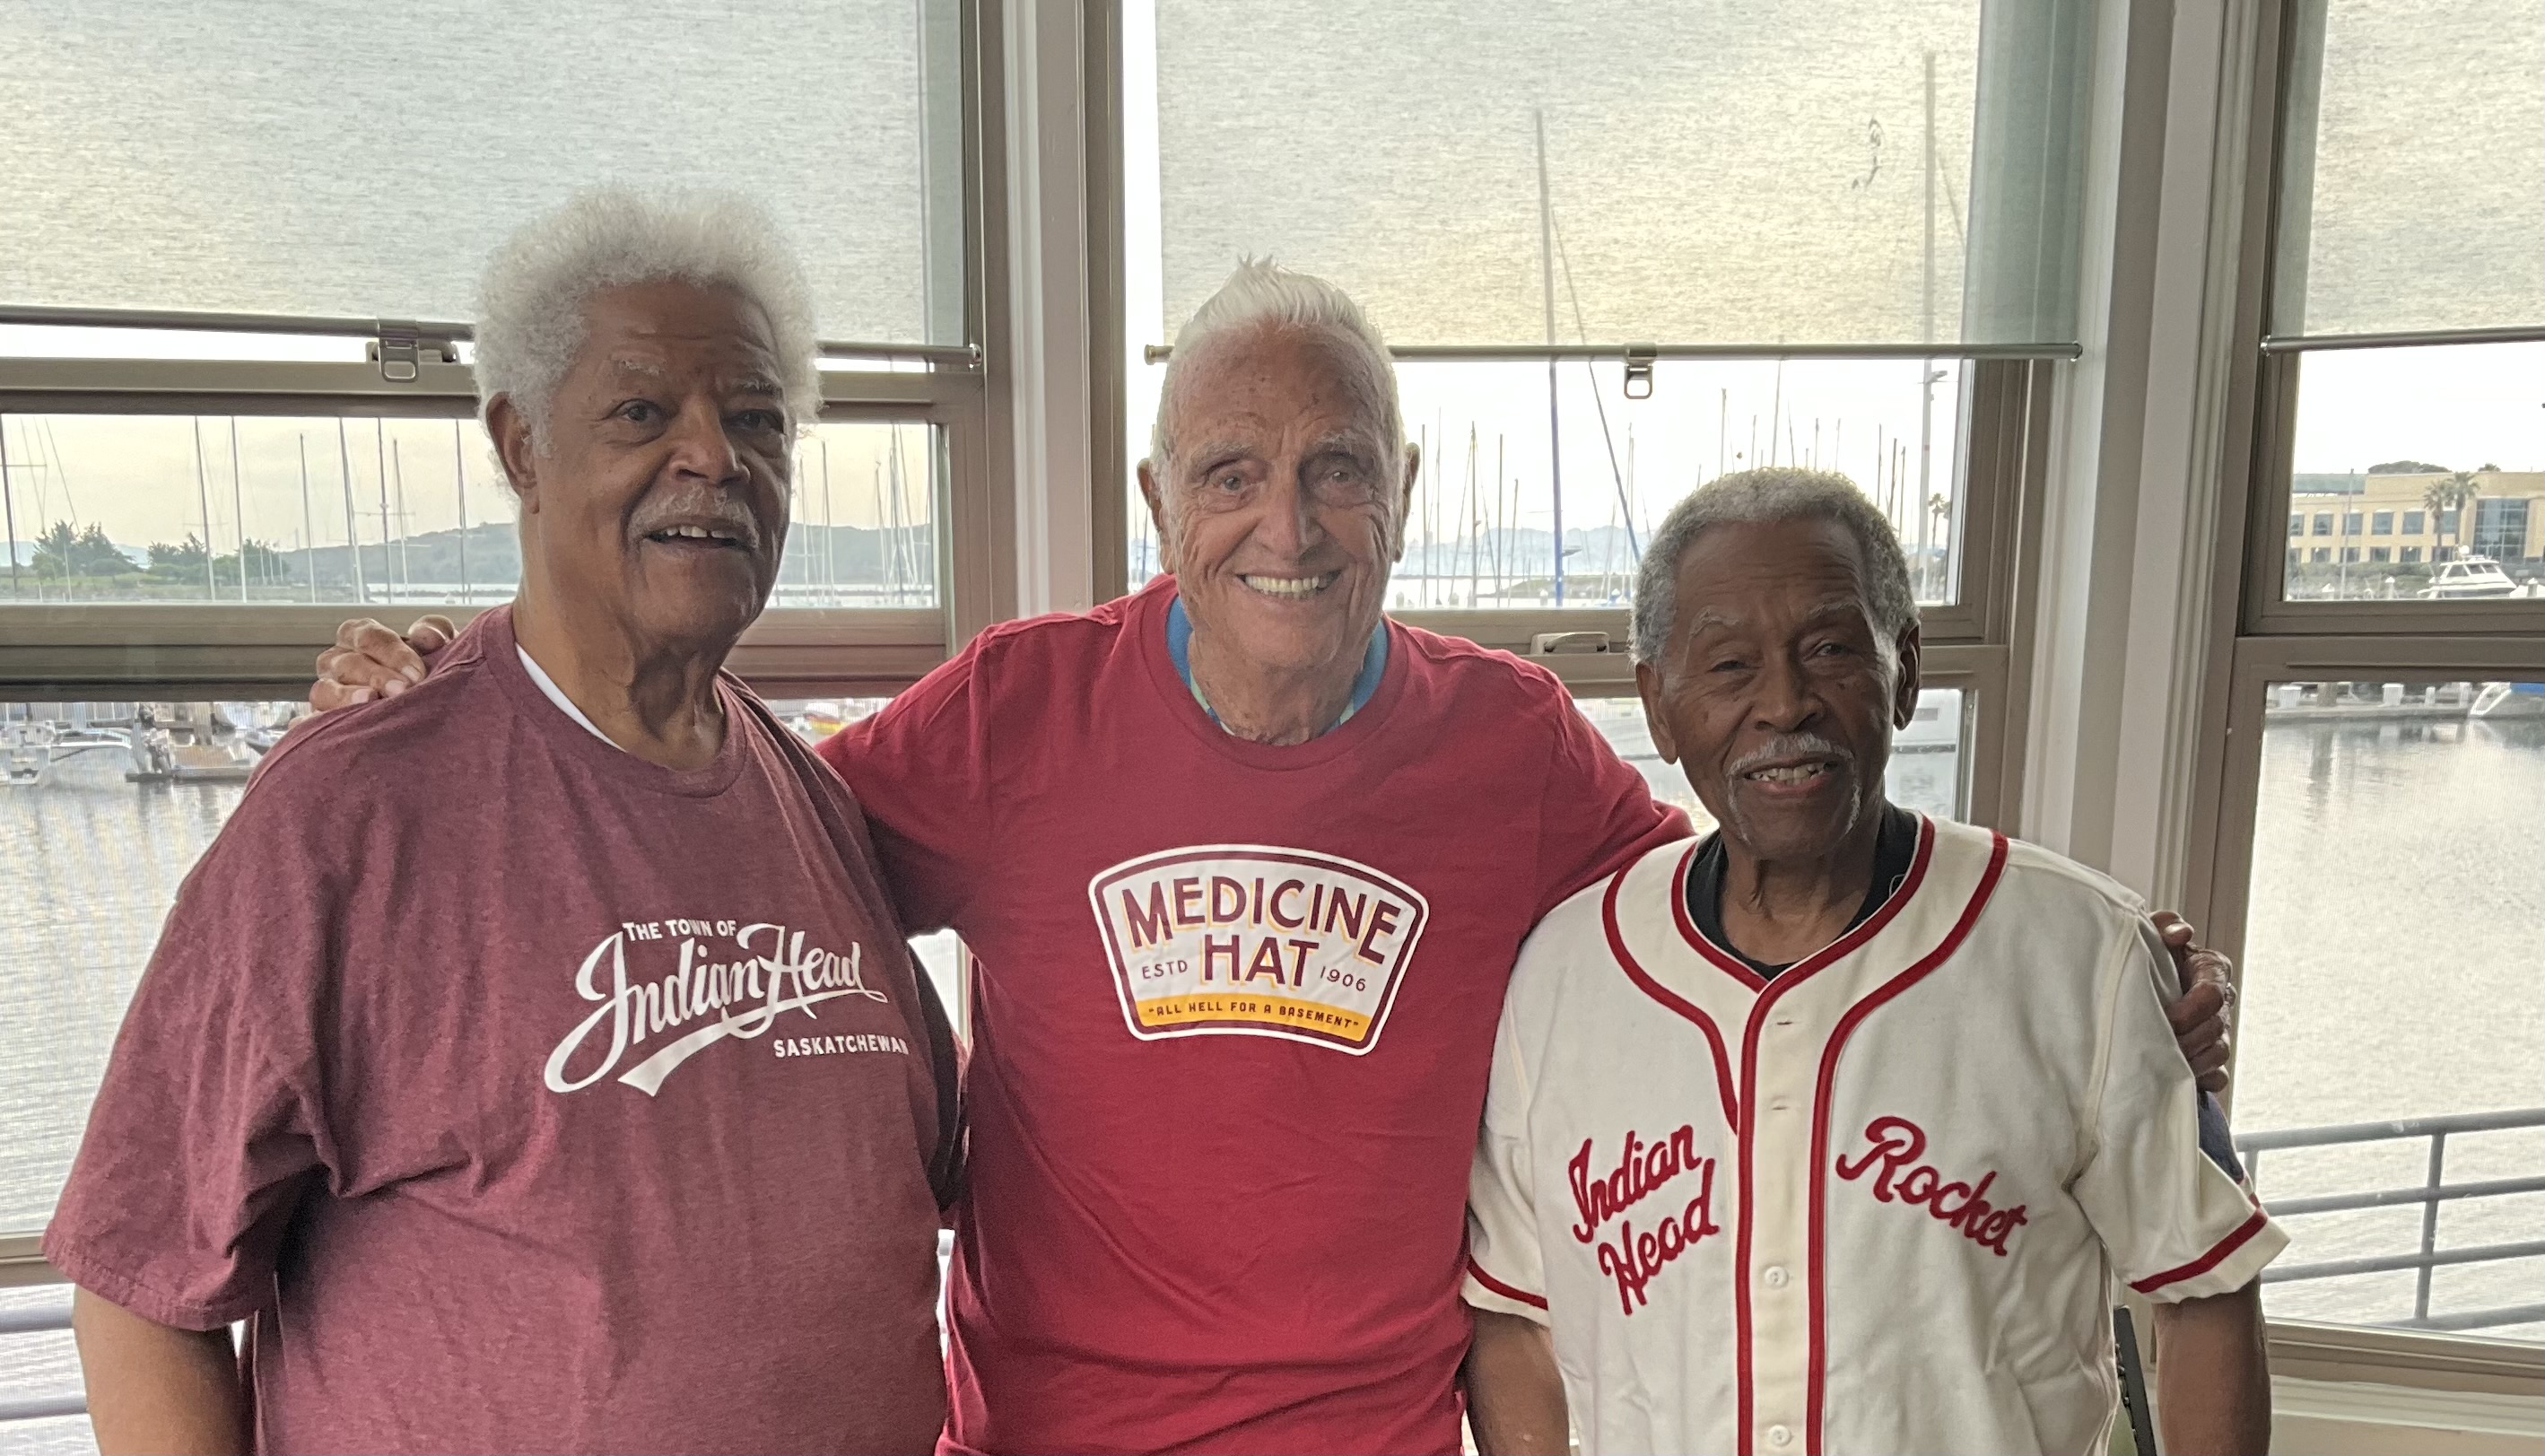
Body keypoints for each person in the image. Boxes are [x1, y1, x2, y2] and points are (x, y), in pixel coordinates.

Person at [311, 263, 2236, 1455]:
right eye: (1229, 470)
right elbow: (719, 856)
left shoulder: (1509, 745)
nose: (1284, 520)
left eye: (1335, 466)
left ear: (1402, 495)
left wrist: (2084, 978)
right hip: (1043, 1436)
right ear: (1158, 505)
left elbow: (1764, 888)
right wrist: (476, 695)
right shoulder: (1013, 713)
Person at [47, 188, 960, 1455]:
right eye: (644, 411)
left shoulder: (809, 799)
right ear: (522, 446)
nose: (715, 455)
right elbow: (140, 1281)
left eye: (757, 418)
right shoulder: (346, 812)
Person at [1460, 468, 2279, 1456]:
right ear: (1658, 706)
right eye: (1726, 666)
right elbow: (1510, 1317)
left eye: (1830, 650)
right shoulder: (1560, 973)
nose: (1782, 703)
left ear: (1904, 672)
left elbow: (2204, 1290)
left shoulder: (2081, 953)